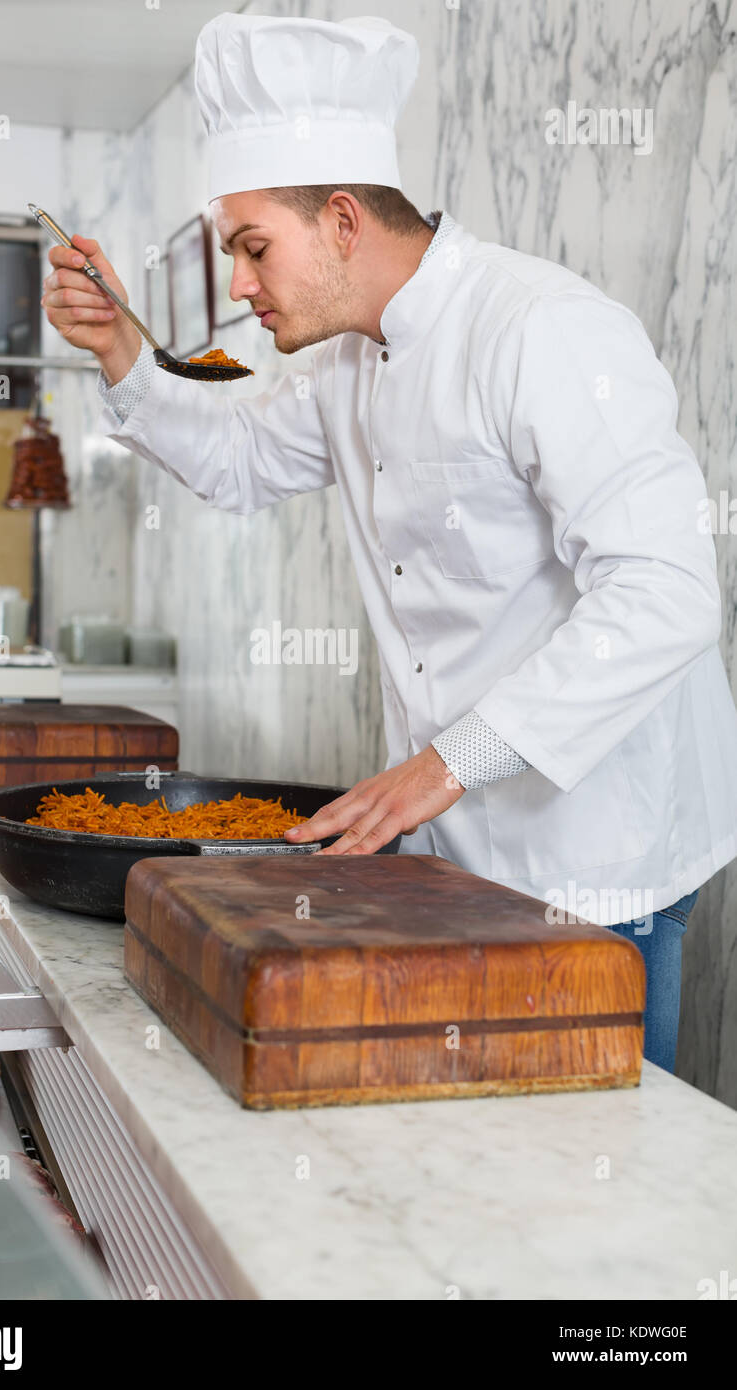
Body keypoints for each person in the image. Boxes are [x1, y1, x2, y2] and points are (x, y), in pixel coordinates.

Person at [41, 12, 737, 1073]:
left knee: (596, 1187)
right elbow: (233, 458)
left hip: (598, 861)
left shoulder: (540, 328)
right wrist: (122, 351)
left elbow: (667, 589)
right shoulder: (344, 369)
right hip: (450, 858)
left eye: (251, 246)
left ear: (339, 220)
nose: (237, 284)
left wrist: (444, 763)